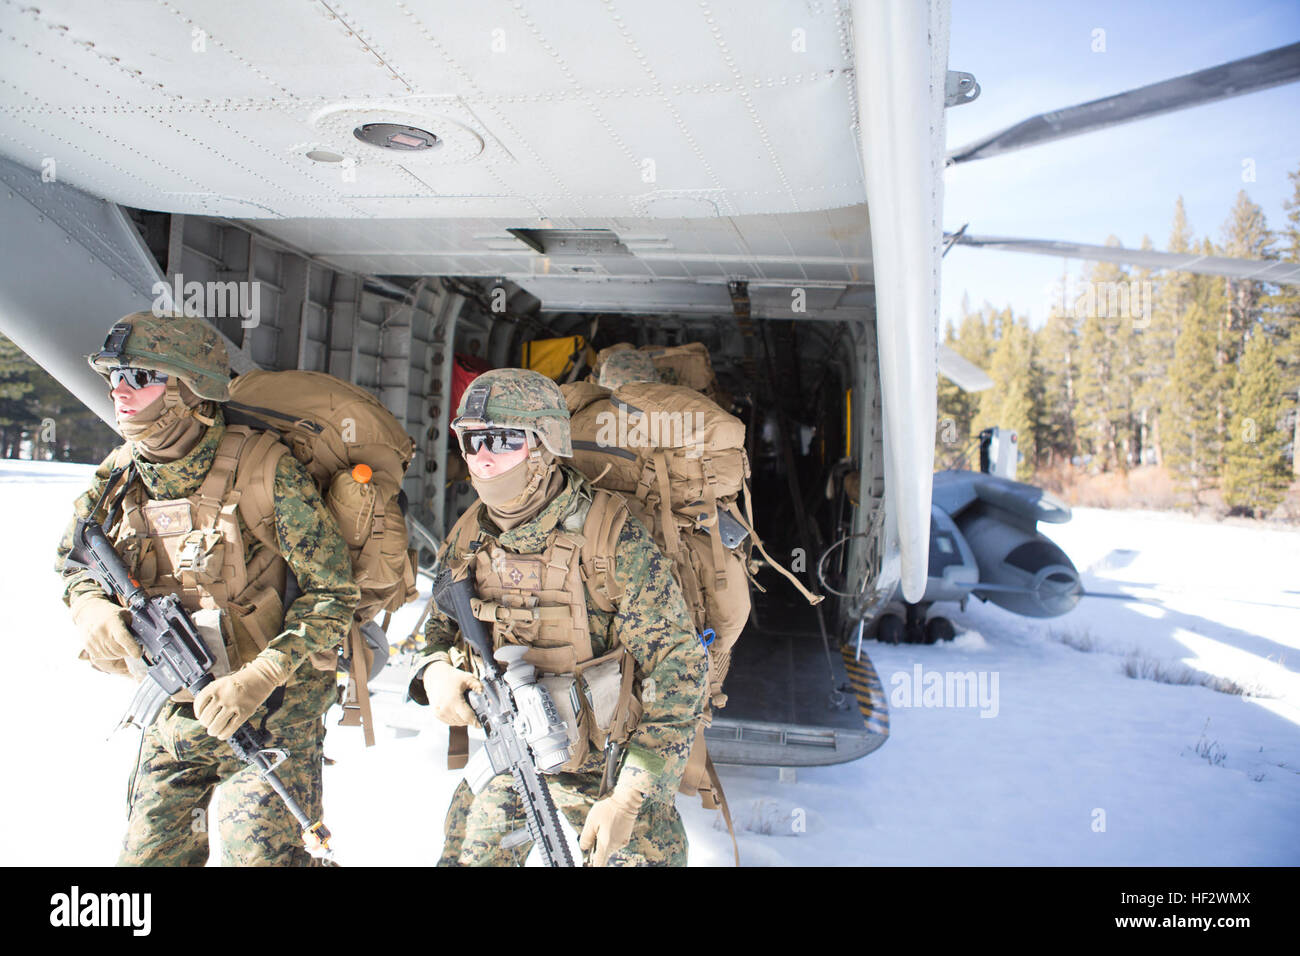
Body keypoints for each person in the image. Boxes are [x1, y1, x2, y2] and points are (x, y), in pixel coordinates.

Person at [54, 311, 360, 866]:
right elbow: (72, 558)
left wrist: (260, 676)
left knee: (260, 858)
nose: (120, 394)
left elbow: (334, 594)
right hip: (175, 713)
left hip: (270, 717)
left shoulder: (266, 471)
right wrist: (90, 609)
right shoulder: (121, 473)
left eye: (141, 378)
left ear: (187, 391)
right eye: (114, 378)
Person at [411, 368, 707, 866]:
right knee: (466, 854)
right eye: (471, 440)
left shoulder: (610, 541)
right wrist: (435, 671)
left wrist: (629, 797)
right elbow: (440, 630)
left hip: (607, 766)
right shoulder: (469, 536)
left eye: (502, 441)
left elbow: (681, 670)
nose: (483, 459)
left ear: (543, 448)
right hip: (513, 753)